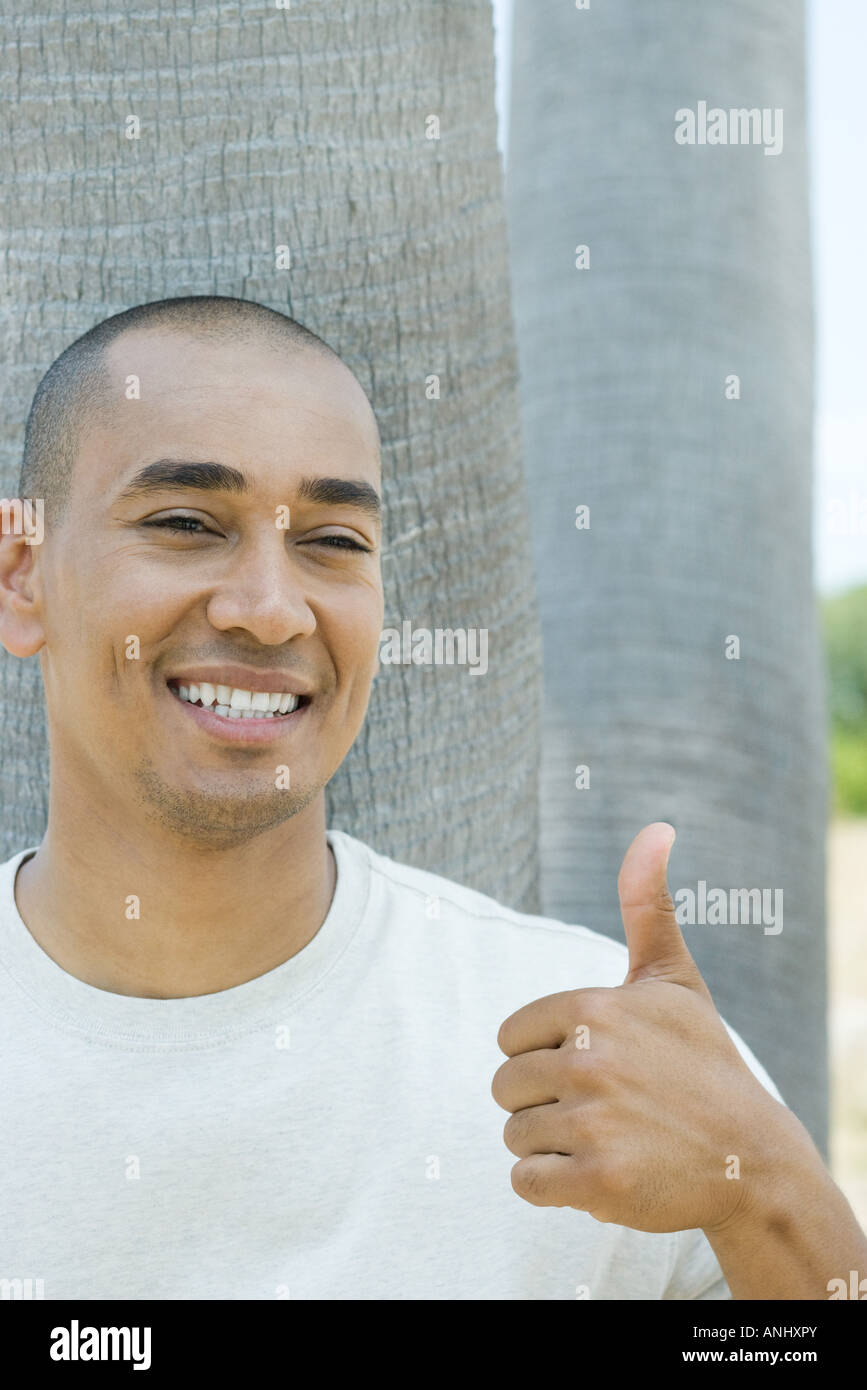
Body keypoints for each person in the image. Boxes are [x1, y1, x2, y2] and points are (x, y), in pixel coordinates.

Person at [0, 295, 863, 1301]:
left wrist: (760, 1179)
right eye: (188, 523)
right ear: (24, 577)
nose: (272, 609)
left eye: (332, 540)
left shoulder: (588, 1049)